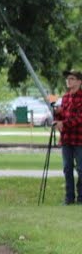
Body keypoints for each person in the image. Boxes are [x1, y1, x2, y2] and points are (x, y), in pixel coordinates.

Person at [56, 70, 82, 204]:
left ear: (79, 81)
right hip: (66, 139)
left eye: (72, 78)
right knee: (67, 168)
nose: (68, 81)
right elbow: (62, 116)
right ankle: (69, 197)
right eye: (68, 78)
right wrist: (57, 117)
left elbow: (79, 118)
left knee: (81, 168)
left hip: (79, 139)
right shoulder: (65, 97)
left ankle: (81, 197)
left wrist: (63, 124)